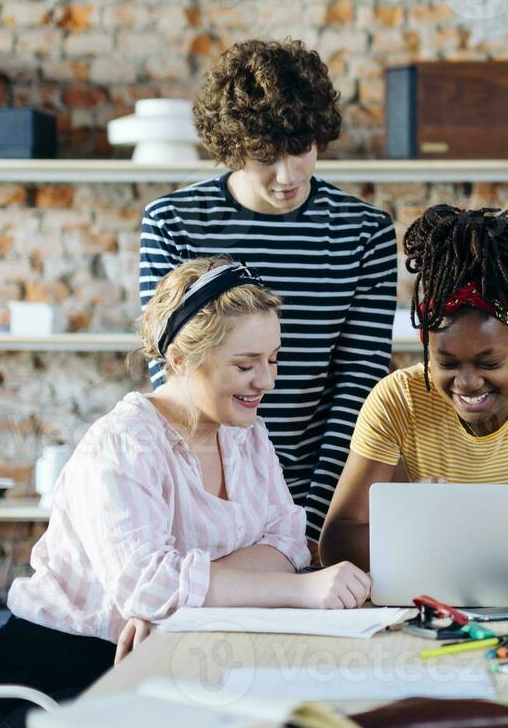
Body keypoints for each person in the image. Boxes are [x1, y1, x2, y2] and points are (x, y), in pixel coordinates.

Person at [0, 258, 370, 727]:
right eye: (245, 365)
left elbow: (285, 542)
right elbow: (147, 586)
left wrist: (179, 607)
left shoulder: (246, 435)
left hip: (167, 653)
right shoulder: (122, 444)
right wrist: (299, 591)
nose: (267, 381)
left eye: (272, 359)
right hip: (54, 685)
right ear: (179, 361)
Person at [140, 38, 397, 548]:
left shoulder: (363, 233)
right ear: (233, 147)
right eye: (265, 156)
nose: (287, 176)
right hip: (202, 492)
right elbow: (178, 374)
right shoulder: (173, 223)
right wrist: (227, 501)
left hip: (320, 491)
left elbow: (358, 388)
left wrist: (316, 521)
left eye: (300, 150)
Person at [320, 205, 508, 587]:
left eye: (489, 362)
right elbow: (338, 539)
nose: (468, 382)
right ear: (426, 347)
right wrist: (430, 534)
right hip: (432, 592)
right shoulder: (398, 398)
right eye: (445, 362)